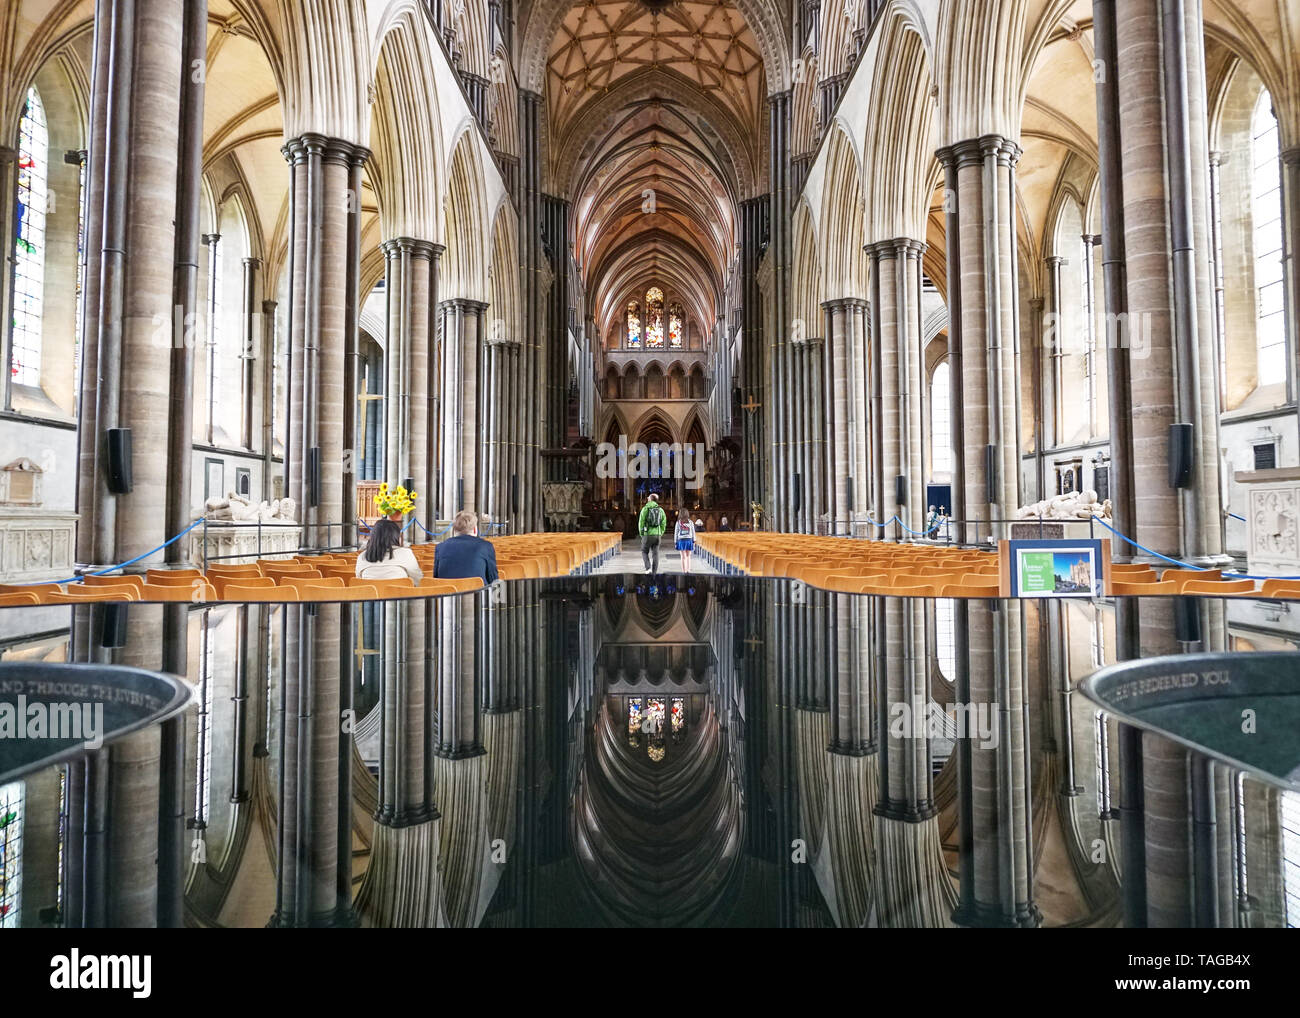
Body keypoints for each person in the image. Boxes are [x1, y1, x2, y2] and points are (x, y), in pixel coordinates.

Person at [433, 509, 499, 583]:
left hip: (447, 592)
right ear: (475, 530)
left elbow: (436, 577)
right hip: (477, 592)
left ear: (454, 530)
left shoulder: (440, 547)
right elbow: (493, 579)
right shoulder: (486, 546)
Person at [356, 518, 423, 582]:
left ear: (373, 537)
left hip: (369, 593)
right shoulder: (406, 553)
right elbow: (418, 580)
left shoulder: (362, 557)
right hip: (400, 593)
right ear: (397, 536)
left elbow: (359, 581)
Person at [637, 492, 667, 574]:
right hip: (657, 535)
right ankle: (654, 572)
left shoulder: (645, 509)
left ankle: (648, 568)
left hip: (647, 534)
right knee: (656, 554)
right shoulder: (661, 510)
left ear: (650, 499)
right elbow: (663, 523)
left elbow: (641, 523)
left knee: (644, 551)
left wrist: (642, 534)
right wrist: (660, 532)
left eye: (648, 498)